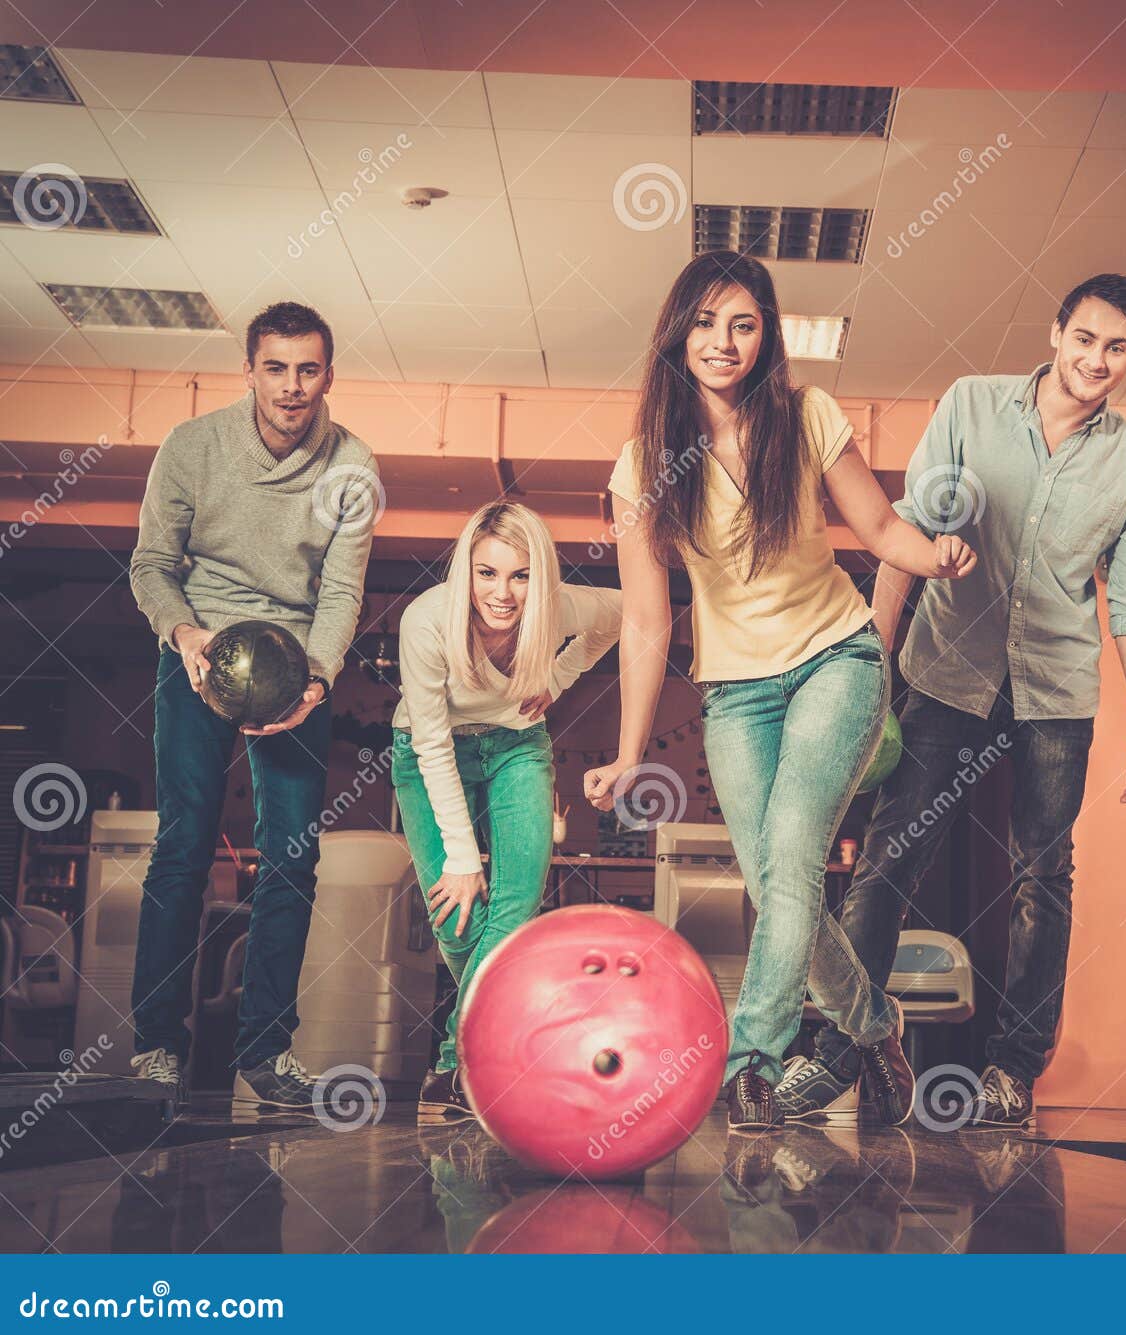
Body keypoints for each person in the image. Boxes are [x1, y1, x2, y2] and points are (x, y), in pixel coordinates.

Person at [584, 251, 977, 1133]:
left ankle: (752, 1061)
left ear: (766, 337)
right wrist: (627, 748)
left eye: (744, 324)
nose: (724, 342)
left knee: (794, 855)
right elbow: (648, 619)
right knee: (774, 880)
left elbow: (878, 528)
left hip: (836, 661)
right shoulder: (644, 463)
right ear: (677, 334)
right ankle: (874, 1025)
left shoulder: (807, 417)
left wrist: (935, 555)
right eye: (706, 323)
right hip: (736, 692)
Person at [791, 273, 1126, 1130]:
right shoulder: (970, 403)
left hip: (1055, 691)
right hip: (945, 670)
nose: (1095, 360)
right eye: (1084, 338)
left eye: (1116, 348)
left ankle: (1013, 1070)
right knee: (889, 861)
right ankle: (841, 1052)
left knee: (1045, 873)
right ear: (1055, 333)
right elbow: (903, 532)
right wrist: (871, 664)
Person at [128, 301, 377, 1111]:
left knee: (293, 856)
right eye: (276, 367)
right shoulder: (192, 448)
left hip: (295, 663)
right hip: (199, 654)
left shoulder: (354, 469)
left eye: (309, 369)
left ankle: (266, 1049)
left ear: (328, 375)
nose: (292, 386)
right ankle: (158, 1044)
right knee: (184, 844)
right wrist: (187, 635)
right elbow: (151, 566)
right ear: (250, 370)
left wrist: (318, 679)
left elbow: (339, 591)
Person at [392, 502, 621, 1121]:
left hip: (518, 745)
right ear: (465, 570)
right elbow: (434, 744)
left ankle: (458, 1064)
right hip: (427, 753)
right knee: (454, 918)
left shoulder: (561, 607)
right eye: (487, 573)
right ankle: (510, 1039)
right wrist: (464, 860)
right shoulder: (426, 622)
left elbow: (623, 614)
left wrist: (561, 674)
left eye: (520, 575)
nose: (503, 592)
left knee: (514, 910)